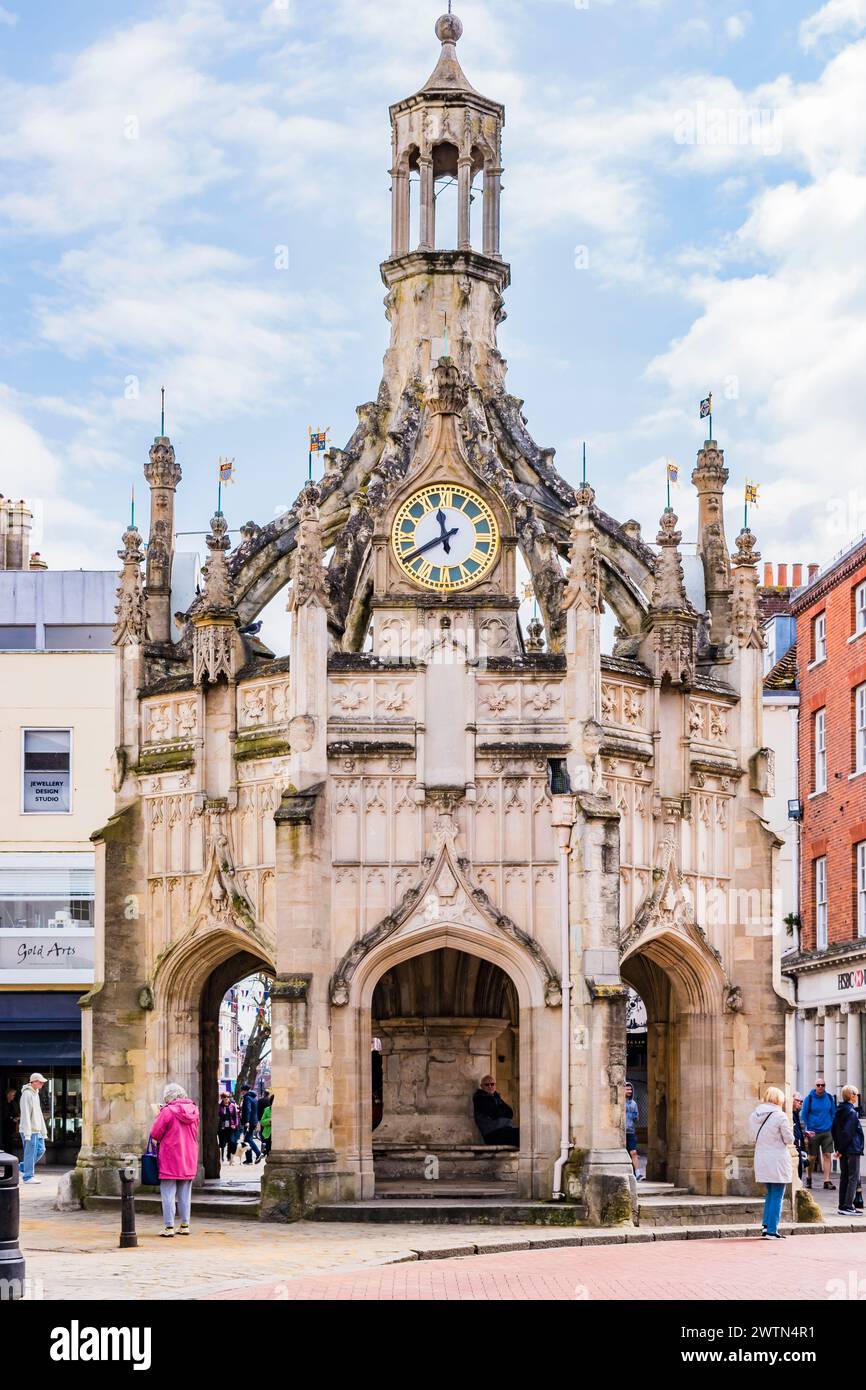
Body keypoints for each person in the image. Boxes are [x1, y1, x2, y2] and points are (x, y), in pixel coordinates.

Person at [148, 1082, 200, 1237]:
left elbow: (155, 1133)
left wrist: (158, 1114)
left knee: (168, 1192)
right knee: (185, 1193)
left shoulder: (167, 1111)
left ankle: (169, 1226)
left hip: (170, 1155)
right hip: (189, 1155)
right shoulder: (194, 1109)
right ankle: (185, 1225)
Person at [748, 1085, 794, 1239]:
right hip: (777, 1158)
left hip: (762, 1157)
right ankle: (772, 1230)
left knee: (770, 1193)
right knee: (777, 1194)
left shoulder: (754, 1115)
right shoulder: (780, 1116)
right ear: (779, 1099)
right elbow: (789, 1139)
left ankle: (766, 1226)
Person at [832, 1084, 864, 1216]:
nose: (857, 1097)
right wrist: (840, 1149)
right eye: (856, 1094)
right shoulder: (851, 1112)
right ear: (851, 1096)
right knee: (853, 1177)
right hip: (852, 1148)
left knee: (844, 1177)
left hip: (843, 1149)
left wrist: (838, 1148)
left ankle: (842, 1205)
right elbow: (848, 1132)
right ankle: (848, 1206)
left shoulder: (839, 1110)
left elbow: (834, 1130)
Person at [802, 1077, 836, 1190]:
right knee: (812, 1157)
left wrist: (830, 1124)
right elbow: (804, 1115)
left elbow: (833, 1113)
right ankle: (809, 1178)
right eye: (818, 1085)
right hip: (813, 1132)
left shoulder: (829, 1098)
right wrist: (808, 1129)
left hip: (827, 1131)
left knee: (827, 1155)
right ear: (815, 1086)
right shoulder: (809, 1098)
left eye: (823, 1085)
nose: (820, 1087)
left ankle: (826, 1181)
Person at [472, 1075, 519, 1147]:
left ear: (495, 1085)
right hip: (492, 1134)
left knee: (526, 1133)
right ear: (482, 1086)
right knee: (522, 1135)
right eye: (487, 1084)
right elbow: (494, 1114)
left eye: (492, 1084)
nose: (490, 1086)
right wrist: (502, 1113)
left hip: (504, 1131)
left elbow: (510, 1113)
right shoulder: (480, 1098)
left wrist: (500, 1113)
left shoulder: (496, 1097)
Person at [19, 1072, 48, 1184]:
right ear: (34, 1082)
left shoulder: (35, 1093)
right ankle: (28, 1177)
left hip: (37, 1130)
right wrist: (27, 1133)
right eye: (40, 1082)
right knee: (30, 1154)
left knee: (41, 1150)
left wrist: (43, 1131)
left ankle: (22, 1167)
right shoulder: (27, 1094)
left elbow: (39, 1113)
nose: (42, 1084)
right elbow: (25, 1114)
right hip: (30, 1130)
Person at [625, 1082, 643, 1181]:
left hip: (631, 1131)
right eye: (627, 1089)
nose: (629, 1091)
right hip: (621, 1133)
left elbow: (636, 1118)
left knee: (634, 1152)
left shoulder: (633, 1103)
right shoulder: (619, 1103)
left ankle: (638, 1173)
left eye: (630, 1089)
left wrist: (636, 1117)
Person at [240, 1084, 262, 1164]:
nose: (241, 1092)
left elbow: (248, 1109)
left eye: (242, 1091)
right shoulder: (254, 1098)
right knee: (247, 1140)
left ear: (244, 1091)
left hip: (249, 1122)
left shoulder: (247, 1097)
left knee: (248, 1139)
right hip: (253, 1121)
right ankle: (249, 1159)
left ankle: (258, 1153)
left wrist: (247, 1121)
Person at [217, 1092, 240, 1164]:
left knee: (231, 1142)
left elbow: (235, 1116)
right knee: (222, 1143)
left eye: (228, 1097)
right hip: (222, 1127)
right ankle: (221, 1158)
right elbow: (217, 1116)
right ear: (222, 1098)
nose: (226, 1098)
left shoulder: (232, 1106)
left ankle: (229, 1157)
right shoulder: (219, 1106)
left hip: (231, 1127)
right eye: (224, 1097)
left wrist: (235, 1124)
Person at [792, 1092, 808, 1183]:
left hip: (798, 1146)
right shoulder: (790, 1114)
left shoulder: (796, 1113)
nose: (800, 1103)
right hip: (794, 1145)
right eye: (798, 1101)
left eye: (802, 1102)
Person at [1, 1085, 20, 1152]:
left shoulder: (14, 1103)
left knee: (10, 1143)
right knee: (4, 1141)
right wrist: (11, 1118)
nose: (13, 1096)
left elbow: (17, 1113)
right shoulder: (3, 1104)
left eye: (14, 1095)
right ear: (8, 1095)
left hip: (12, 1126)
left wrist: (17, 1118)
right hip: (4, 1126)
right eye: (12, 1095)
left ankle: (10, 1154)